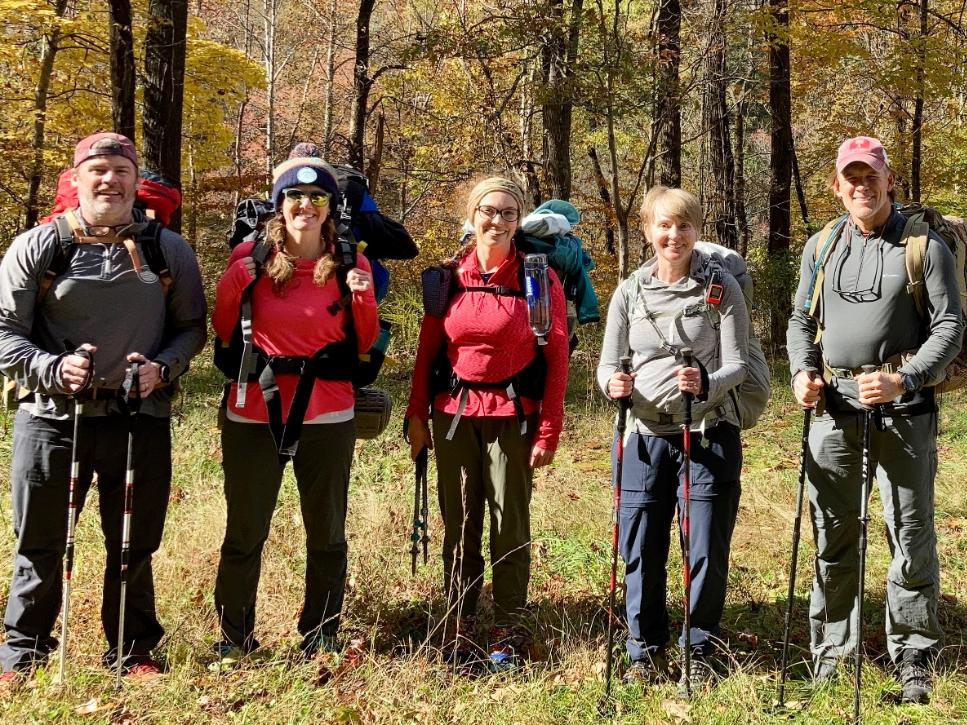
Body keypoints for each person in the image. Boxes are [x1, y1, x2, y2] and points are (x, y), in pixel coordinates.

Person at [0, 132, 207, 680]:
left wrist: (163, 368)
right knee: (39, 544)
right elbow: (4, 333)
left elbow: (191, 328)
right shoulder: (38, 246)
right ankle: (23, 652)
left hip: (138, 418)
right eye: (97, 169)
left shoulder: (169, 249)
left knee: (134, 544)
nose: (109, 180)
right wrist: (52, 368)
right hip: (50, 418)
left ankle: (132, 650)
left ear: (137, 181)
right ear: (76, 178)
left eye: (120, 170)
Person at [786, 136, 963, 703]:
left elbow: (950, 325)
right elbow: (799, 319)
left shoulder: (923, 247)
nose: (862, 186)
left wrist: (905, 379)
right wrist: (802, 373)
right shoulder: (822, 246)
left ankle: (913, 650)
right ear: (837, 187)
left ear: (890, 182)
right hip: (833, 409)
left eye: (871, 176)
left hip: (904, 410)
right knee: (832, 533)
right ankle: (832, 652)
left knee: (909, 531)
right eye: (851, 178)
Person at [211, 157, 378, 665]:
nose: (305, 205)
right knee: (244, 531)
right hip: (254, 411)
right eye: (294, 197)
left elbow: (364, 342)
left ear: (330, 209)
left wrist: (363, 300)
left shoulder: (353, 262)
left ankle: (321, 631)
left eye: (317, 198)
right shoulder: (251, 256)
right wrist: (235, 282)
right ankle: (234, 636)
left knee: (326, 531)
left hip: (328, 413)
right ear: (279, 205)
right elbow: (222, 331)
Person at [404, 177, 569, 671]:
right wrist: (416, 415)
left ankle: (508, 625)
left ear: (519, 222)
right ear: (471, 215)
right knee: (458, 523)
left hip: (513, 418)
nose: (496, 221)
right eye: (488, 211)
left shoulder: (539, 279)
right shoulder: (447, 276)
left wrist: (549, 429)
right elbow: (427, 350)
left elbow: (556, 355)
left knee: (508, 522)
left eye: (508, 213)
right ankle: (458, 621)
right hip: (452, 416)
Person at [597, 186, 749, 692]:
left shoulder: (720, 287)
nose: (674, 235)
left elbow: (738, 363)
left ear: (698, 230)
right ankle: (643, 648)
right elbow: (605, 364)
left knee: (703, 545)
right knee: (640, 544)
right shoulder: (629, 291)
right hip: (641, 434)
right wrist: (611, 385)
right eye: (664, 225)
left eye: (684, 225)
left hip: (707, 431)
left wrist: (707, 383)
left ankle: (700, 647)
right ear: (646, 230)